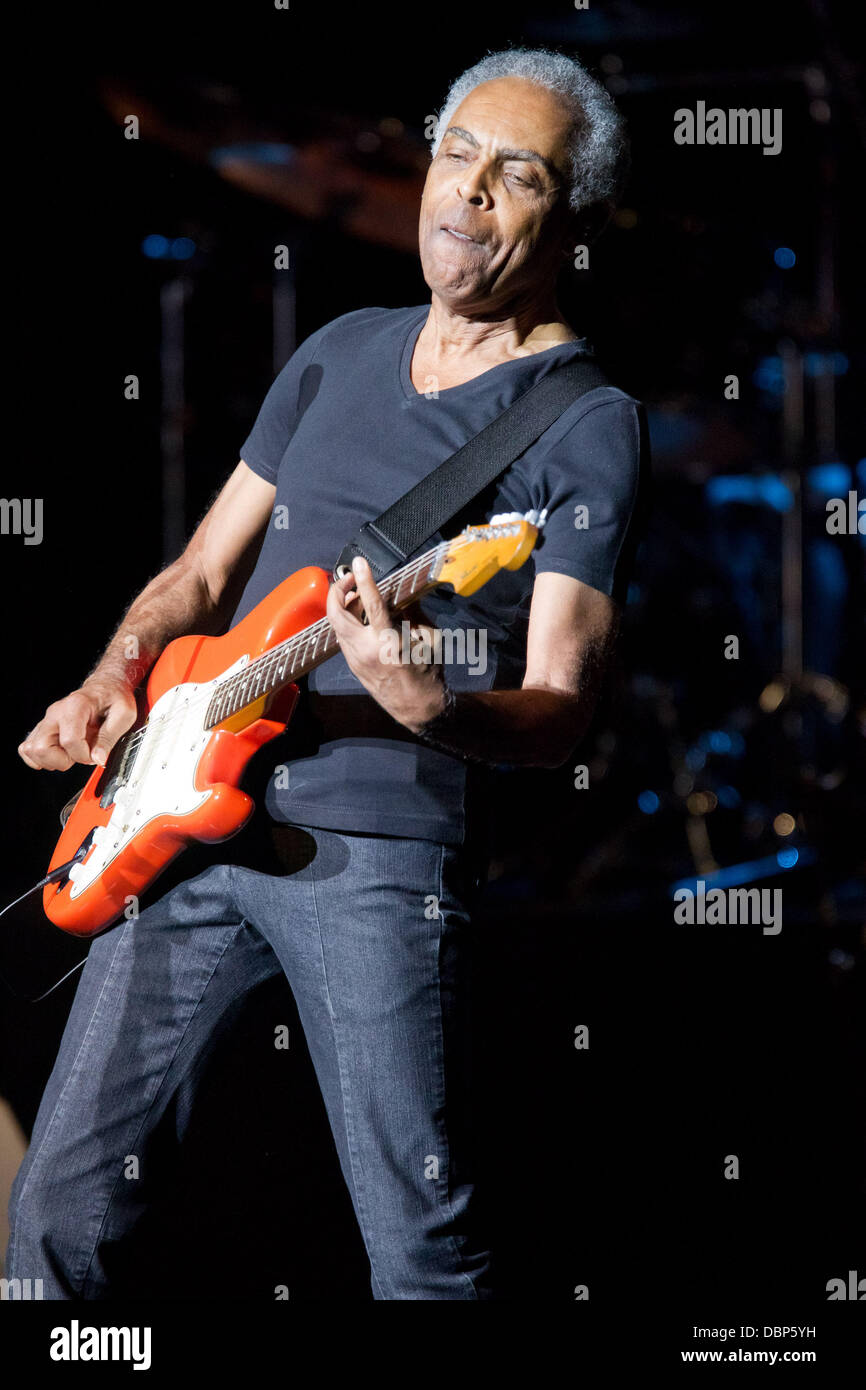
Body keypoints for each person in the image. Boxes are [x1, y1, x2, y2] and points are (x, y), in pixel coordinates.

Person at [7, 47, 648, 1300]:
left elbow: (563, 705)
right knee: (55, 1217)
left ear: (572, 219)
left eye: (514, 174)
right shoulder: (340, 349)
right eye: (453, 153)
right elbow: (196, 580)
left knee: (420, 1249)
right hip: (184, 826)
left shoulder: (582, 421)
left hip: (375, 863)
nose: (464, 192)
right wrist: (108, 682)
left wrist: (431, 701)